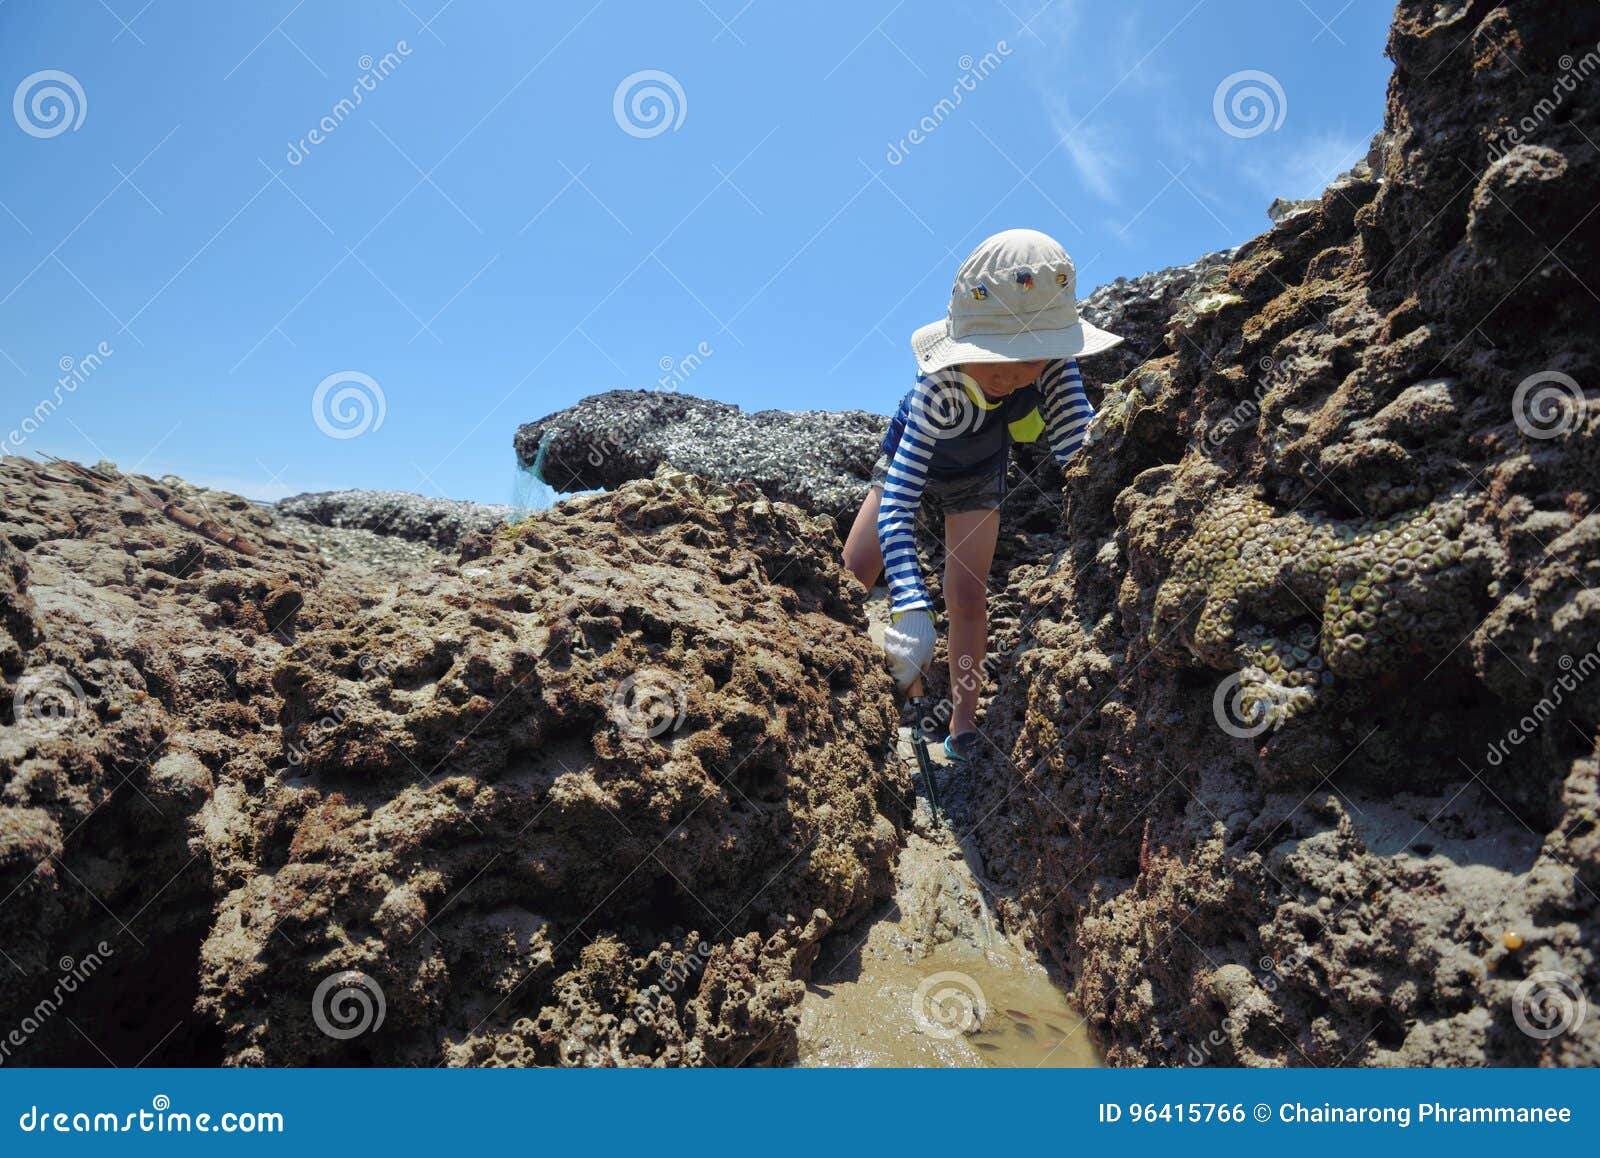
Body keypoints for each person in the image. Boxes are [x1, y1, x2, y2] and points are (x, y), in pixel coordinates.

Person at [842, 228, 1123, 762]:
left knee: (968, 597)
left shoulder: (1054, 365)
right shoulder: (935, 391)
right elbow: (899, 506)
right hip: (915, 460)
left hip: (978, 472)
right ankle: (845, 688)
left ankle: (963, 725)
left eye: (1030, 360)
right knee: (853, 572)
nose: (1015, 375)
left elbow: (1078, 447)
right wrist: (908, 601)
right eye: (998, 357)